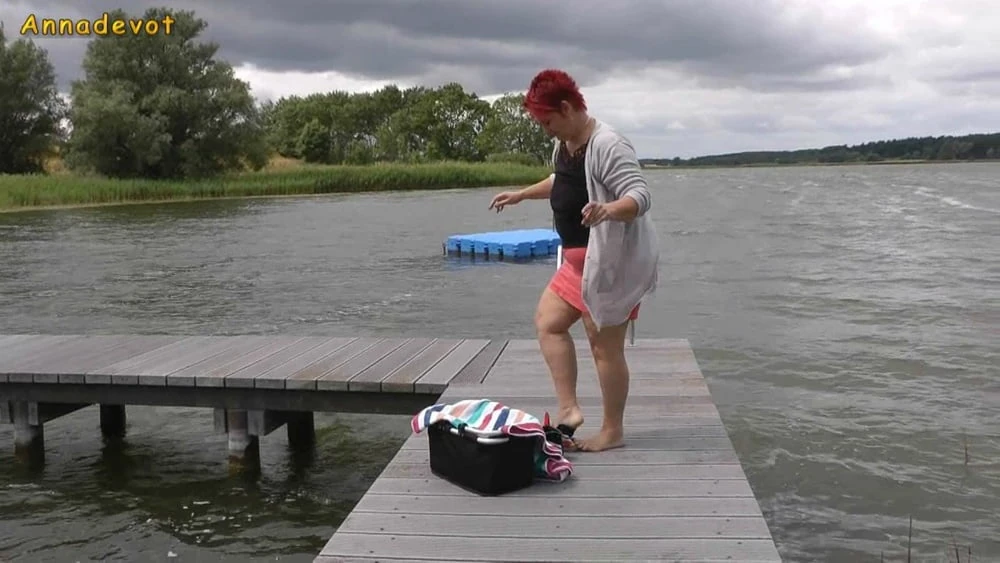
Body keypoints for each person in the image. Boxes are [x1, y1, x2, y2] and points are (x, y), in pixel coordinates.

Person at [488, 69, 659, 452]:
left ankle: (612, 431)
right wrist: (521, 194)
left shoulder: (609, 144)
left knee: (604, 349)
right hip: (574, 266)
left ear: (566, 108)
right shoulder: (564, 144)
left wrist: (609, 209)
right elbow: (560, 181)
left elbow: (640, 195)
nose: (545, 129)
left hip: (609, 267)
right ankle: (570, 410)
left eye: (547, 121)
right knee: (548, 323)